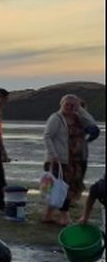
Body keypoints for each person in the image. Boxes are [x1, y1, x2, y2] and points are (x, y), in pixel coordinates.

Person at [41, 93, 98, 225]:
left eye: (73, 105)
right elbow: (47, 136)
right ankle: (64, 217)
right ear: (62, 104)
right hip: (60, 159)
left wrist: (81, 110)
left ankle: (48, 215)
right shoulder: (56, 118)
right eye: (67, 104)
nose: (70, 107)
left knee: (62, 188)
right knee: (62, 188)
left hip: (77, 159)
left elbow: (93, 125)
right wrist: (53, 154)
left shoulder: (80, 118)